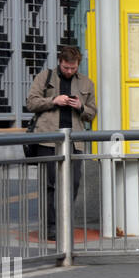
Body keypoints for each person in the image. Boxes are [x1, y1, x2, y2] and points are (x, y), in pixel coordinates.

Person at [24, 46, 96, 240]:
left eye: (73, 68)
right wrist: (53, 100)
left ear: (78, 65)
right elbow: (31, 103)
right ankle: (50, 227)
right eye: (66, 68)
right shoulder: (44, 77)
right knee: (49, 186)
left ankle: (64, 223)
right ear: (59, 62)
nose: (69, 71)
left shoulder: (86, 83)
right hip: (47, 138)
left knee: (72, 184)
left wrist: (81, 107)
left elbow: (92, 113)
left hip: (74, 141)